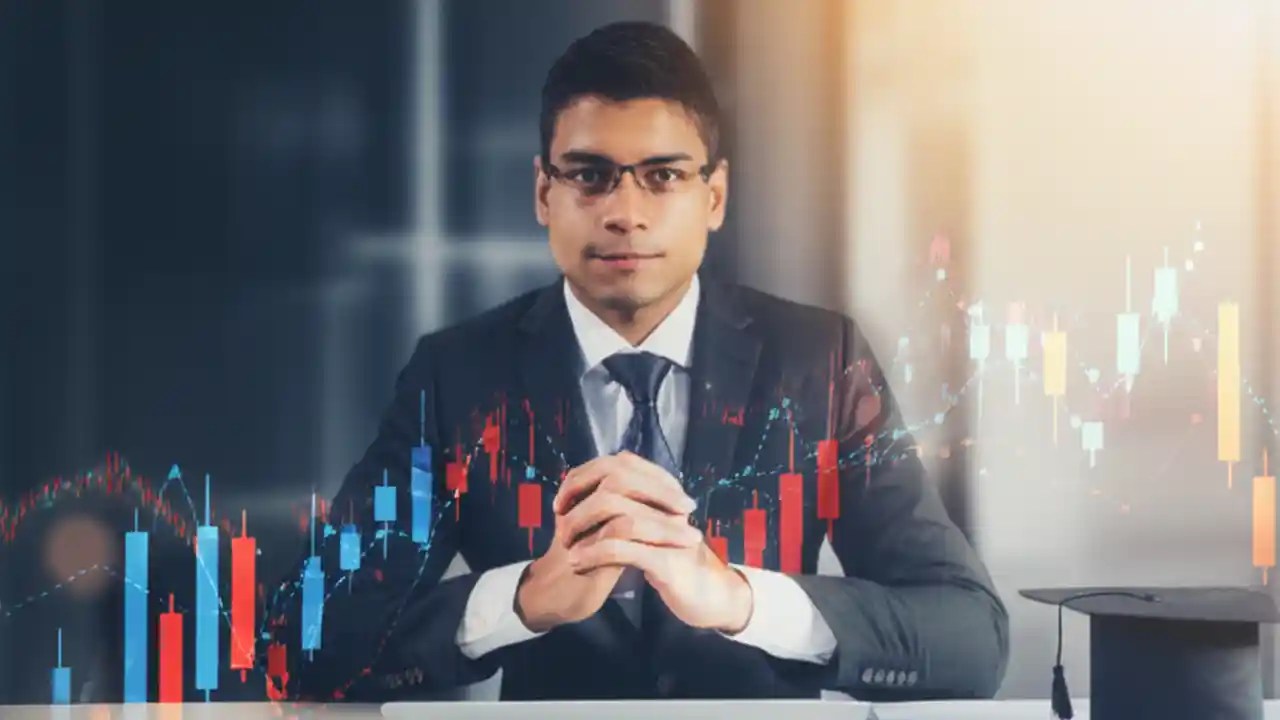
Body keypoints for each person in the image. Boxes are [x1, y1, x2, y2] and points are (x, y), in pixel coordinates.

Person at [291, 20, 1008, 702]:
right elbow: (309, 635)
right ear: (544, 192)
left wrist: (741, 600)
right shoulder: (457, 377)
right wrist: (524, 598)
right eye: (590, 175)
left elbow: (969, 635)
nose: (625, 212)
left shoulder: (820, 361)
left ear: (715, 196)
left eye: (662, 177)